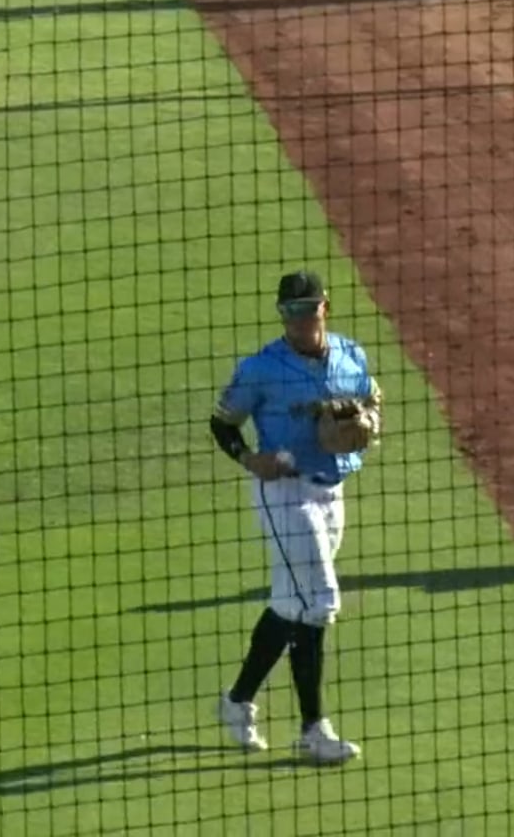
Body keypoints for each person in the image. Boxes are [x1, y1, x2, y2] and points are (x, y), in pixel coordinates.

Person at [208, 271, 383, 764]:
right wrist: (248, 458)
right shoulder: (262, 369)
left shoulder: (352, 355)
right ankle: (314, 729)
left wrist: (367, 422)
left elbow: (373, 401)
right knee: (320, 602)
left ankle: (237, 701)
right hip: (284, 492)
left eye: (308, 309)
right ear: (281, 314)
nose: (300, 319)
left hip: (333, 492)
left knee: (290, 603)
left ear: (325, 307)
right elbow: (222, 423)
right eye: (290, 312)